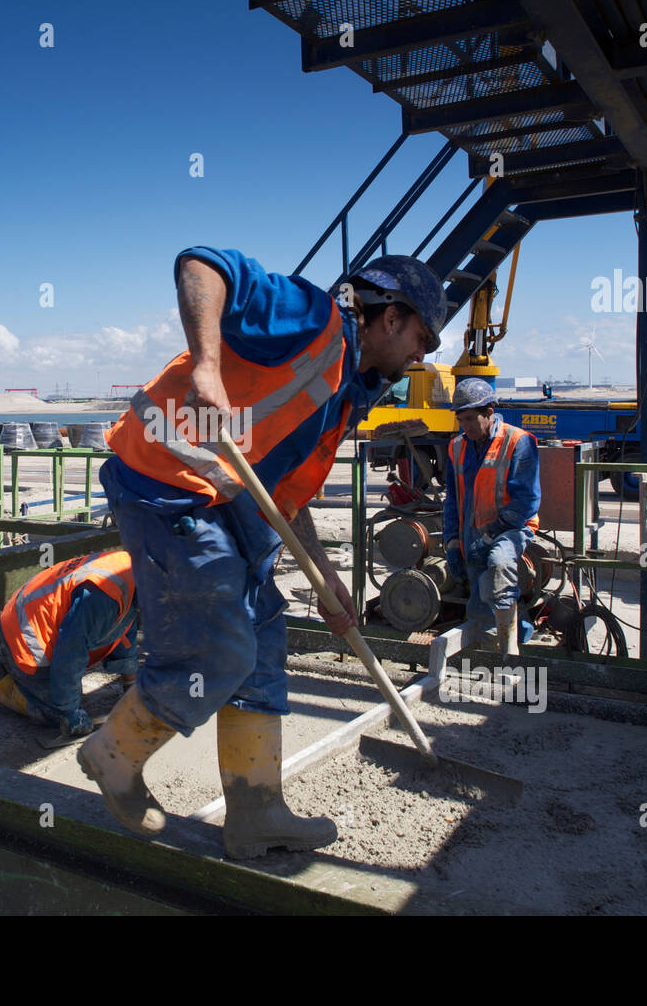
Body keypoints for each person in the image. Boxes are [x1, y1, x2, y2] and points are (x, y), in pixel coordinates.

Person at [77, 248, 445, 858]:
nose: (421, 355)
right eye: (422, 337)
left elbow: (288, 498)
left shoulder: (350, 391)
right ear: (391, 316)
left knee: (263, 639)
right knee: (220, 645)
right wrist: (207, 367)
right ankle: (113, 756)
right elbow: (200, 266)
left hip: (223, 499)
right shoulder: (313, 318)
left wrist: (326, 578)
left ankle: (256, 810)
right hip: (165, 480)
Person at [0, 549, 138, 738]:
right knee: (55, 714)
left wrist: (131, 686)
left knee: (65, 692)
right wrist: (69, 712)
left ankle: (11, 668)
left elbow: (126, 627)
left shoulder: (131, 573)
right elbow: (70, 652)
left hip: (35, 620)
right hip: (24, 637)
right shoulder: (103, 594)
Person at [442, 378, 540, 657]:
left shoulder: (518, 442)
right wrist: (452, 542)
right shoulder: (457, 447)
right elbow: (453, 499)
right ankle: (486, 650)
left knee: (498, 563)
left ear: (489, 412)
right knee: (479, 595)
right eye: (461, 420)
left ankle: (510, 651)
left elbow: (527, 502)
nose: (466, 426)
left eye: (471, 419)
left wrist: (489, 535)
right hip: (473, 528)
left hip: (513, 528)